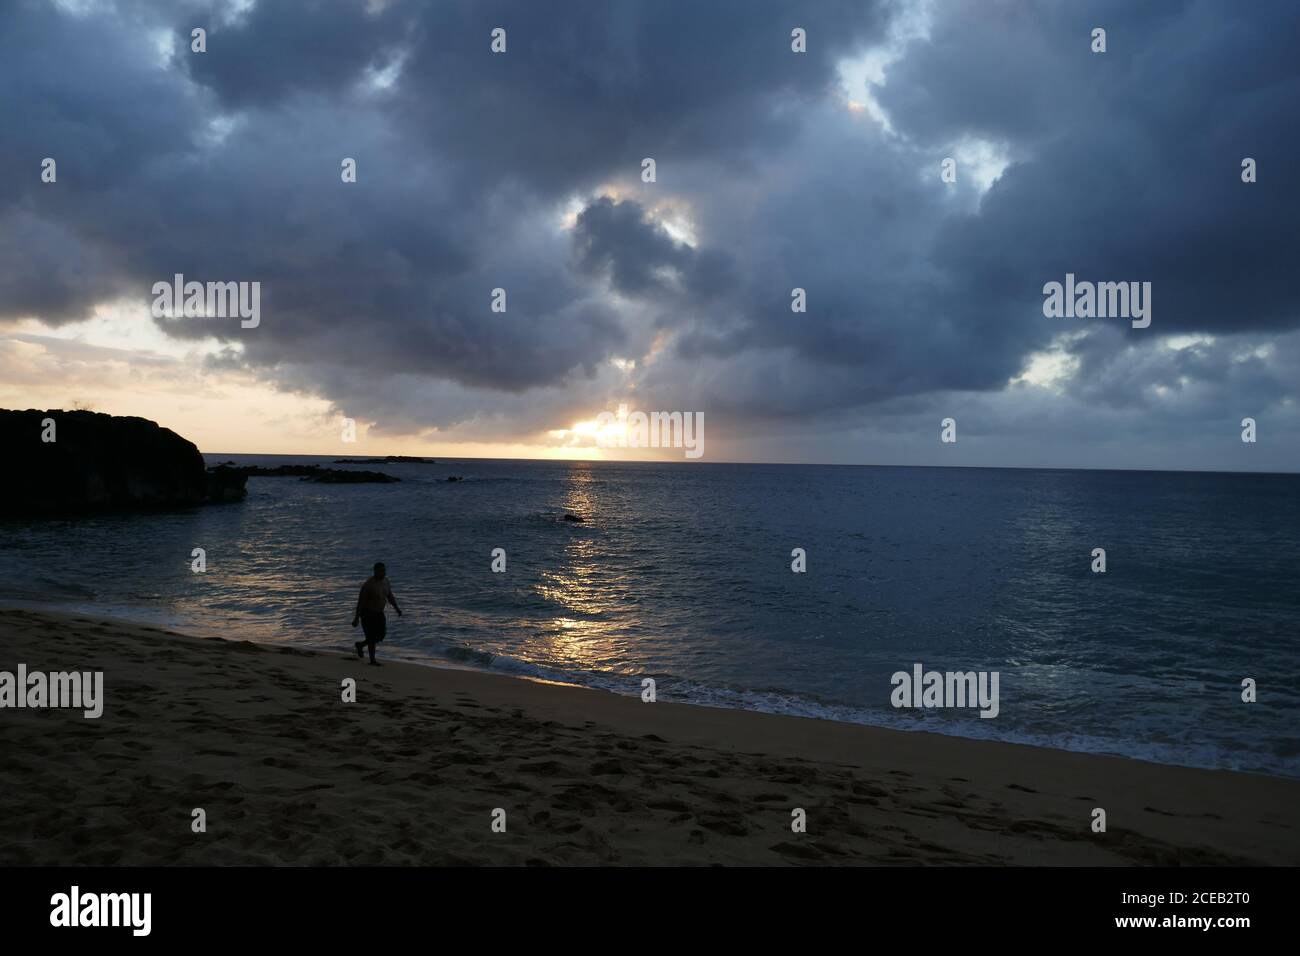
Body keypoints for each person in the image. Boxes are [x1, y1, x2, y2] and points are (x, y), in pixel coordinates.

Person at [352, 562, 401, 665]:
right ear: (375, 571)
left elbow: (390, 596)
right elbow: (361, 602)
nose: (383, 573)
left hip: (379, 613)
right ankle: (372, 660)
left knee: (381, 635)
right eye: (381, 571)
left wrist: (396, 608)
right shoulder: (368, 584)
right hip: (367, 613)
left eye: (384, 570)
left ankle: (360, 645)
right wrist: (356, 618)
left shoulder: (386, 581)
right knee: (371, 637)